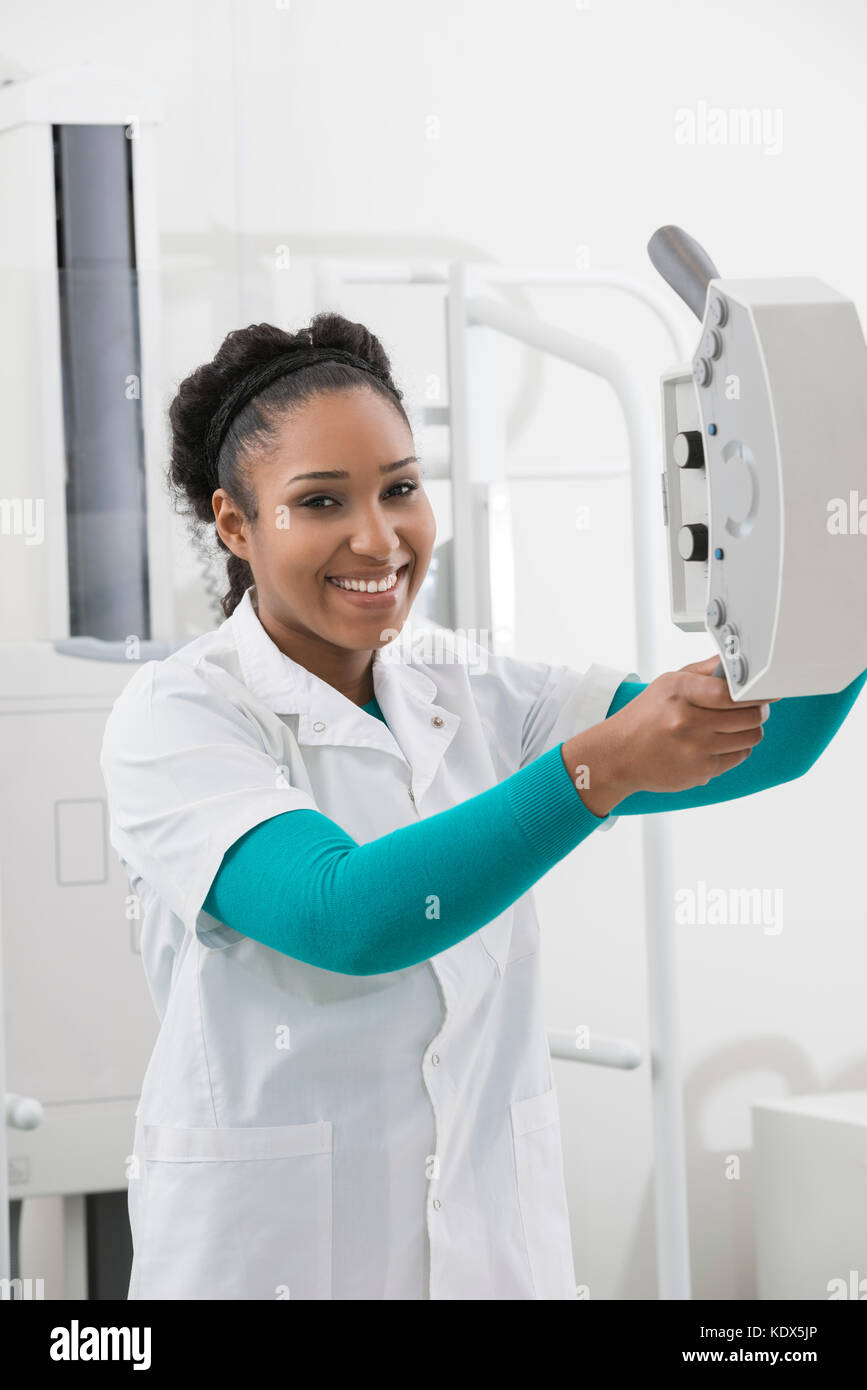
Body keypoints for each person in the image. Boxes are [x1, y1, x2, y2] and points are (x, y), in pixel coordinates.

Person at [99, 312, 866, 1301]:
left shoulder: (469, 688)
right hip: (274, 1265)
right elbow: (352, 915)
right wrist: (594, 770)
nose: (377, 537)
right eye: (321, 500)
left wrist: (846, 539)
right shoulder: (179, 714)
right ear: (237, 524)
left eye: (401, 488)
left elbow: (765, 742)